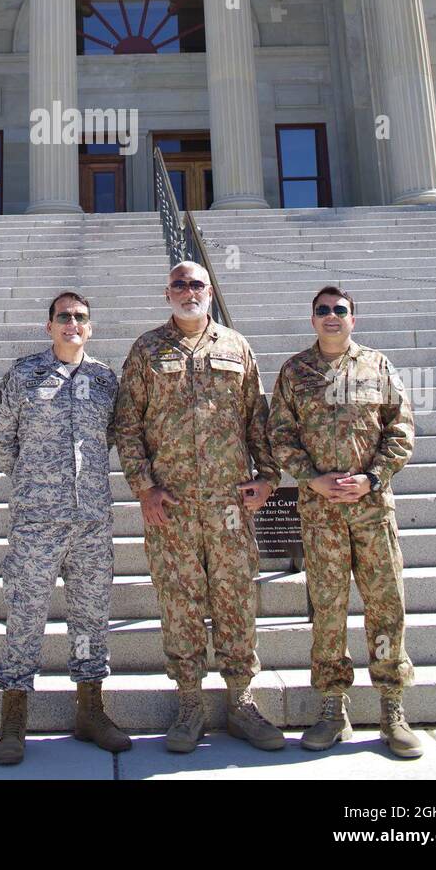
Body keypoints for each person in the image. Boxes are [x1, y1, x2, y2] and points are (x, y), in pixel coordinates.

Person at [115, 261, 284, 754]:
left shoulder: (236, 346)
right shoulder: (147, 349)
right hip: (173, 505)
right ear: (166, 292)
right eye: (179, 285)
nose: (188, 292)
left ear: (210, 291)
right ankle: (189, 704)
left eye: (197, 285)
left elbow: (258, 419)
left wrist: (268, 478)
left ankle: (241, 702)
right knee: (180, 603)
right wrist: (144, 487)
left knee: (235, 603)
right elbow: (127, 426)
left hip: (231, 504)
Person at [268, 285, 421, 758]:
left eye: (340, 310)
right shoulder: (295, 371)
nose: (331, 317)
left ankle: (392, 707)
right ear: (312, 319)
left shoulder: (379, 365)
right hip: (321, 515)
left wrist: (373, 478)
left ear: (353, 318)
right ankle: (332, 708)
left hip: (372, 511)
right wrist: (311, 479)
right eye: (323, 311)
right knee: (328, 611)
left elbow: (401, 427)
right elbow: (279, 433)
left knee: (385, 604)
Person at [0, 291, 131, 765]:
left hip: (91, 521)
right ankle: (13, 717)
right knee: (25, 614)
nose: (72, 323)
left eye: (81, 317)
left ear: (90, 328)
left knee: (91, 616)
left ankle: (90, 709)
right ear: (48, 325)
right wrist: (34, 484)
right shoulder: (24, 374)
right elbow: (3, 439)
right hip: (36, 521)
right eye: (63, 317)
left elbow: (113, 437)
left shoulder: (105, 380)